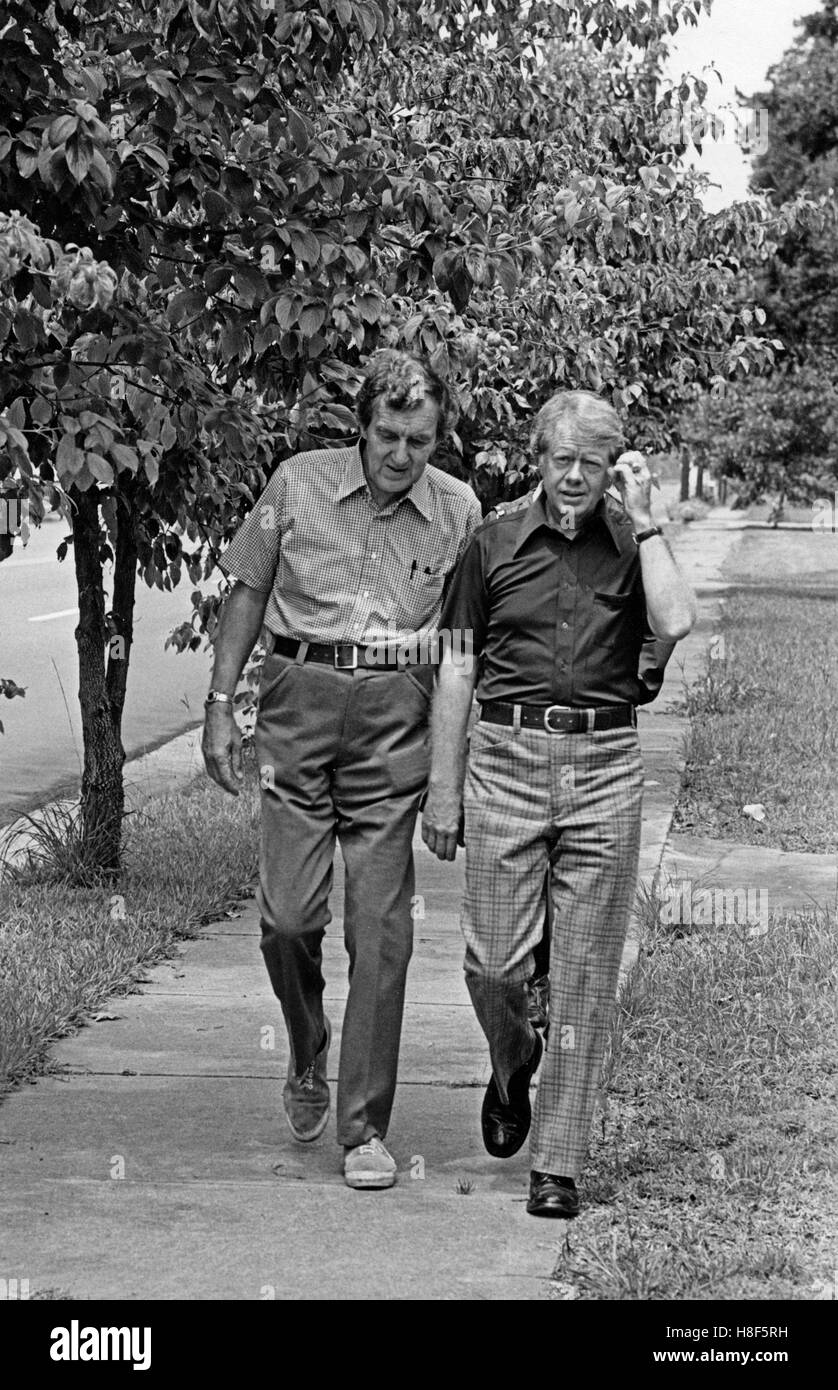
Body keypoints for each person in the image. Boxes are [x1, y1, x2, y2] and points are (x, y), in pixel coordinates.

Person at [202, 350, 482, 1190]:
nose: (402, 456)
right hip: (297, 705)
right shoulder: (297, 484)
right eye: (389, 436)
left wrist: (446, 774)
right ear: (361, 425)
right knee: (287, 920)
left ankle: (363, 1127)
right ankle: (307, 1043)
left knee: (381, 931)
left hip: (395, 717)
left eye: (421, 441)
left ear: (440, 438)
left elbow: (463, 647)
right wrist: (221, 704)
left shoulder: (459, 512)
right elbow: (247, 590)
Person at [421, 389, 696, 1217]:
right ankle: (513, 1066)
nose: (574, 478)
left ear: (612, 468)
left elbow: (676, 620)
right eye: (560, 460)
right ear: (536, 459)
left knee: (583, 976)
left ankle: (560, 1164)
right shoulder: (491, 544)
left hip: (606, 764)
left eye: (591, 463)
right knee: (495, 964)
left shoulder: (633, 543)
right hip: (504, 759)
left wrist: (643, 522)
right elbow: (458, 669)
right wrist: (443, 787)